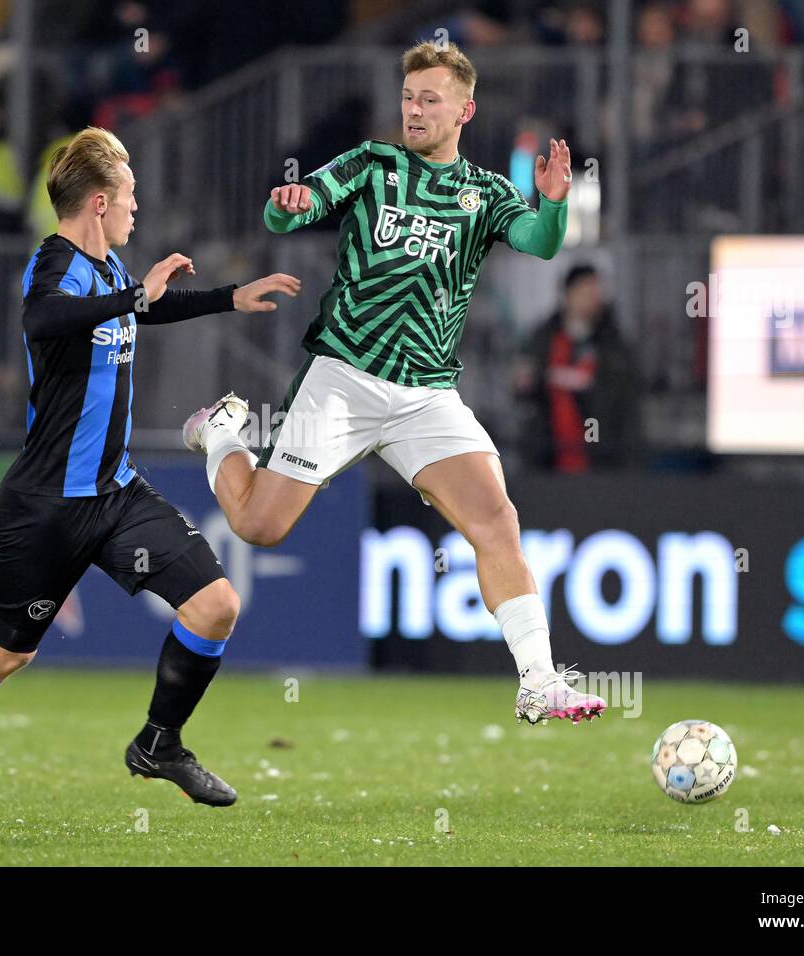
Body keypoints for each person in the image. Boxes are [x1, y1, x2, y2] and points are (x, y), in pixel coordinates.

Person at [0, 128, 300, 822]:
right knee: (6, 655)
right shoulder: (55, 262)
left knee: (216, 604)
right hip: (45, 505)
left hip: (117, 494)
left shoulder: (110, 274)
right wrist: (134, 298)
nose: (137, 206)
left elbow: (143, 308)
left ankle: (160, 743)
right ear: (100, 201)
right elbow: (43, 320)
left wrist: (228, 297)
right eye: (130, 195)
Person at [184, 41, 606, 726]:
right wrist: (289, 205)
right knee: (260, 526)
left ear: (464, 109)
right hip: (344, 378)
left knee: (497, 521)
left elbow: (540, 242)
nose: (414, 110)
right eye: (409, 98)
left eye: (429, 99)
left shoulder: (489, 193)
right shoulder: (372, 164)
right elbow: (289, 211)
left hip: (426, 395)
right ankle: (220, 436)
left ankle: (539, 681)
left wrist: (553, 204)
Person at [514, 264, 642, 472]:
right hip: (548, 456)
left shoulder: (613, 343)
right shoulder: (544, 338)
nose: (592, 300)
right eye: (585, 292)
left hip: (600, 459)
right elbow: (522, 383)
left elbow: (624, 399)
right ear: (568, 295)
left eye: (596, 293)